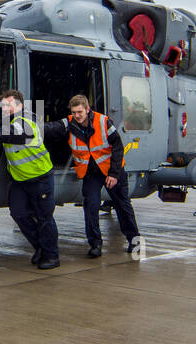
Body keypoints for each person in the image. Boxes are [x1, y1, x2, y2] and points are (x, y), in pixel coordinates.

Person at [57, 95, 140, 258]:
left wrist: (114, 174)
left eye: (80, 112)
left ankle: (135, 241)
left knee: (123, 206)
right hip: (92, 173)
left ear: (87, 110)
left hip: (112, 170)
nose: (77, 116)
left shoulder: (103, 122)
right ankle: (95, 244)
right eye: (74, 112)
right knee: (91, 206)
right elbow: (53, 128)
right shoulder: (71, 123)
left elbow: (117, 146)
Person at [0, 89, 60, 269]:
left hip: (39, 178)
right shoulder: (10, 120)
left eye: (8, 105)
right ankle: (40, 247)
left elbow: (8, 134)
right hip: (20, 180)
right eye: (3, 105)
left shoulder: (26, 120)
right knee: (18, 213)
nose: (5, 108)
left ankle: (52, 256)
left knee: (44, 218)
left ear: (19, 105)